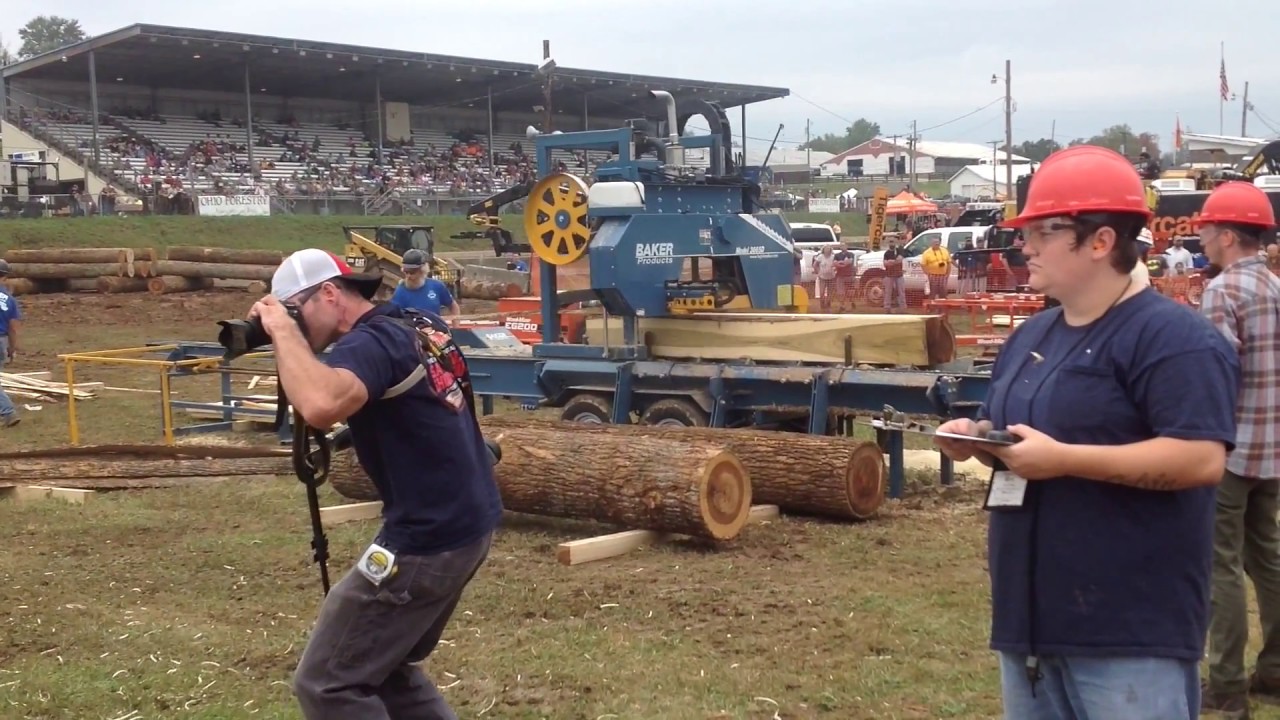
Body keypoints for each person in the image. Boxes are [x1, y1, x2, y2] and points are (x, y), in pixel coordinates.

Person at [932, 145, 1241, 719]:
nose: (1024, 246)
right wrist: (980, 437)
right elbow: (1021, 437)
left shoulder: (1175, 340)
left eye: (1042, 232)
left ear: (1100, 241)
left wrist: (1065, 460)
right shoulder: (1032, 335)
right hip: (1030, 625)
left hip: (1129, 634)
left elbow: (1200, 459)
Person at [251, 249, 503, 720]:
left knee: (327, 683)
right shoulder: (417, 323)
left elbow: (320, 405)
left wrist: (282, 331)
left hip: (425, 540)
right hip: (469, 524)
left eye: (295, 311)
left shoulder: (370, 344)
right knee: (386, 668)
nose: (294, 326)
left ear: (329, 294)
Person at [1195, 181, 1280, 718]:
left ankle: (1226, 685)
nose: (1201, 238)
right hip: (1272, 448)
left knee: (1220, 564)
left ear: (1227, 235)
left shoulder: (1223, 291)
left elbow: (1213, 376)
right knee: (1267, 557)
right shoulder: (1275, 286)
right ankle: (1275, 670)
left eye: (1206, 229)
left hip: (1230, 450)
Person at [390, 249, 460, 320]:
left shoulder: (437, 286)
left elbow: (453, 306)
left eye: (412, 272)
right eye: (406, 272)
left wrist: (455, 323)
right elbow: (393, 319)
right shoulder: (399, 292)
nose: (408, 276)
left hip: (435, 326)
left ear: (422, 271)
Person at [0, 260, 22, 427]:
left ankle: (8, 411)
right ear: (5, 277)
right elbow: (13, 328)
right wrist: (12, 348)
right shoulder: (10, 300)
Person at [920, 234, 951, 299]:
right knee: (932, 293)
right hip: (932, 276)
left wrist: (947, 274)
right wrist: (928, 274)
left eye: (937, 242)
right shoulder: (927, 253)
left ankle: (942, 305)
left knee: (943, 293)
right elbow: (923, 264)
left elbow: (949, 263)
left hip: (943, 276)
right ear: (931, 243)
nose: (936, 243)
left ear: (940, 242)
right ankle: (931, 305)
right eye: (934, 242)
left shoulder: (945, 251)